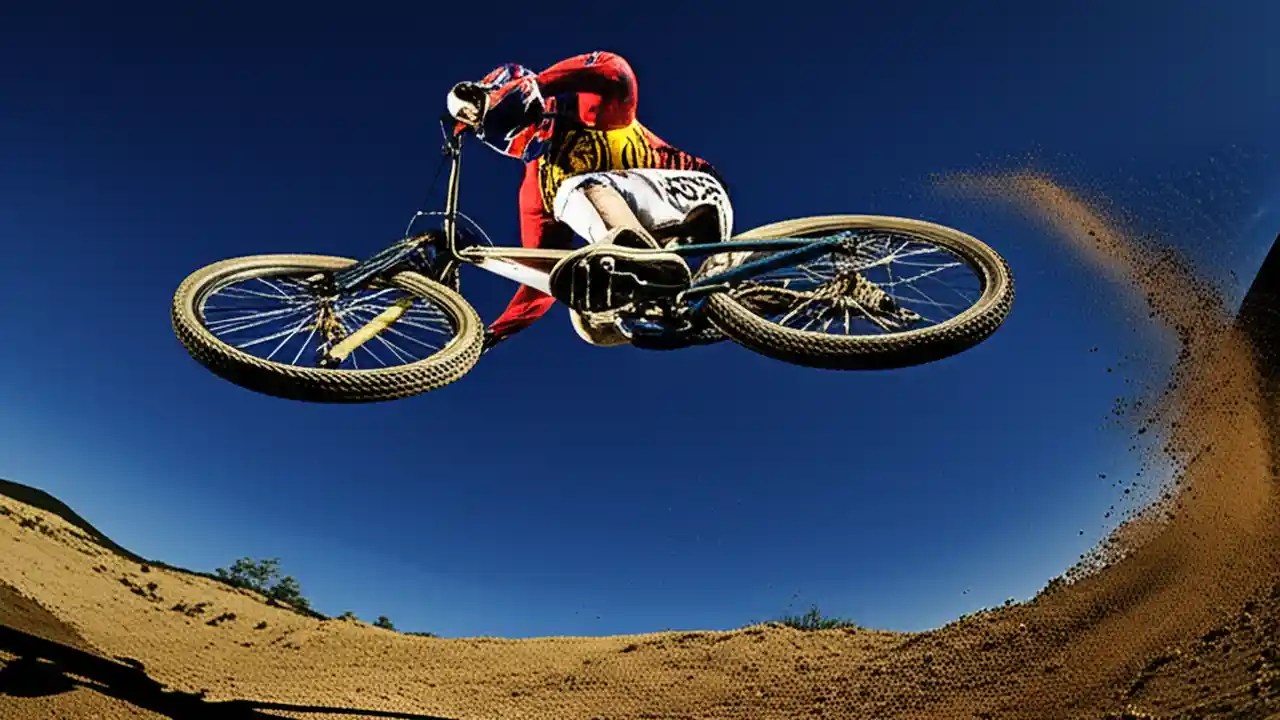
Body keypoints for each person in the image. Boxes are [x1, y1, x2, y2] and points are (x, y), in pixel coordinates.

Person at [444, 51, 734, 350]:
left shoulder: (585, 112)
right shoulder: (537, 186)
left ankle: (633, 253)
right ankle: (694, 311)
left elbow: (615, 72)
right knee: (586, 318)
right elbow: (539, 279)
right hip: (663, 237)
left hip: (698, 197)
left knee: (574, 188)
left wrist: (543, 83)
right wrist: (492, 335)